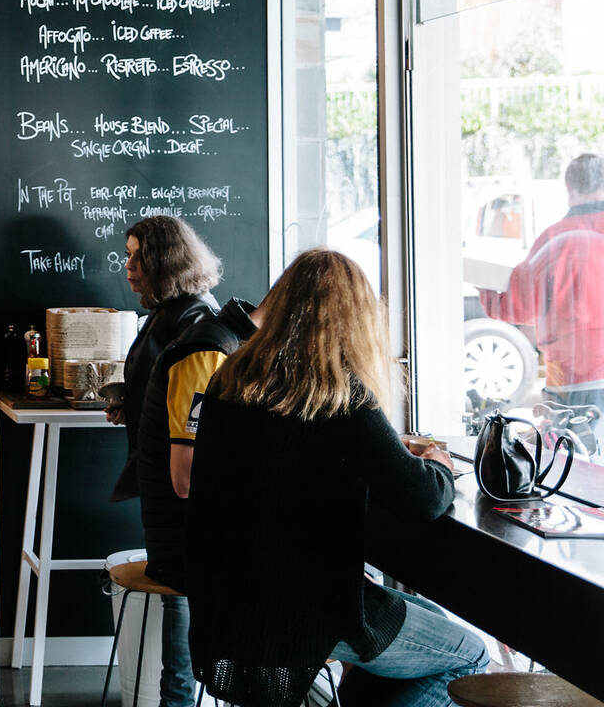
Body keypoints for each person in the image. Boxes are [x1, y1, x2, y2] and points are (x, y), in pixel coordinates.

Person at [187, 249, 488, 707]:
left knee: (427, 617)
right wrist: (439, 466)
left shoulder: (231, 378)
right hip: (306, 609)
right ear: (358, 319)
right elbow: (422, 498)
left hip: (229, 603)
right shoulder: (338, 393)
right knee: (469, 653)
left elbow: (288, 460)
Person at [107, 215, 224, 707]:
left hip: (181, 492)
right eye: (128, 255)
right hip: (165, 487)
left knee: (182, 591)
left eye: (138, 257)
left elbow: (193, 409)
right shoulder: (169, 311)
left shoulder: (196, 323)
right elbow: (164, 386)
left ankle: (178, 698)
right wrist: (127, 396)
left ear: (166, 261)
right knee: (180, 589)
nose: (128, 267)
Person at [480, 153, 604, 445]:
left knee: (575, 459)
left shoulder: (555, 239)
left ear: (569, 188)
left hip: (574, 375)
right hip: (581, 373)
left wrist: (485, 288)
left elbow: (518, 305)